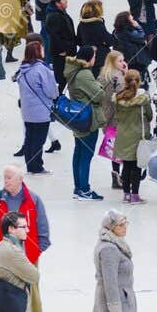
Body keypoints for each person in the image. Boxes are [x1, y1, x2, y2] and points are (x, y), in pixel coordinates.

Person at [63, 44, 106, 200]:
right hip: (88, 119)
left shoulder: (73, 71)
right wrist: (100, 86)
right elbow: (99, 95)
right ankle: (84, 189)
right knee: (86, 156)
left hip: (78, 118)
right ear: (89, 58)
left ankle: (78, 188)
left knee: (79, 154)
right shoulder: (85, 74)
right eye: (94, 56)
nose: (95, 59)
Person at [15, 39, 57, 175]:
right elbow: (51, 91)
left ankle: (30, 165)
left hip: (27, 111)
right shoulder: (42, 69)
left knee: (29, 138)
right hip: (41, 111)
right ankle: (37, 166)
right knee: (39, 140)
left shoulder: (22, 70)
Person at [111, 69, 151, 203]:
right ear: (139, 81)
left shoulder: (118, 97)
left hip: (123, 134)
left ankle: (126, 195)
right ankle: (135, 195)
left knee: (126, 166)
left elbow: (116, 116)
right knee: (137, 167)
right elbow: (149, 116)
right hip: (138, 134)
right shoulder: (143, 98)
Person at [44, 0, 77, 93]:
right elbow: (55, 36)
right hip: (61, 53)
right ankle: (57, 101)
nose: (66, 1)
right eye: (63, 0)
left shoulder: (60, 13)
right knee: (61, 79)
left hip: (65, 51)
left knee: (64, 79)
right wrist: (64, 49)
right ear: (57, 3)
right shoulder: (54, 16)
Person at [76, 0, 111, 75]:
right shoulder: (98, 24)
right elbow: (109, 41)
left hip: (86, 57)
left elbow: (78, 41)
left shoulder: (81, 24)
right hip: (100, 58)